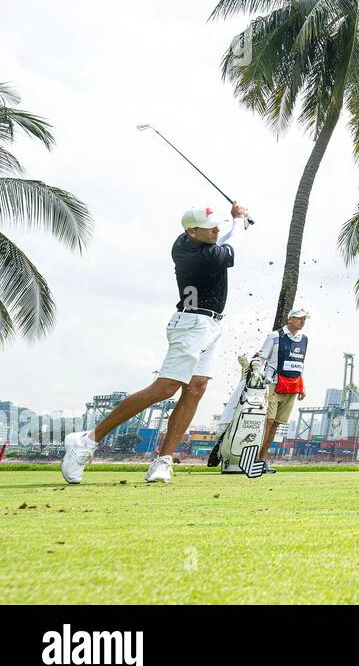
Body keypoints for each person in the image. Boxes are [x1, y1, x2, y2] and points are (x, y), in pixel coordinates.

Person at [61, 202, 249, 484]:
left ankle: (163, 461)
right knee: (165, 388)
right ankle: (87, 441)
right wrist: (240, 220)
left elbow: (220, 240)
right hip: (191, 325)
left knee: (196, 388)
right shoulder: (204, 257)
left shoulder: (188, 242)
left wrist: (233, 223)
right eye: (210, 228)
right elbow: (233, 244)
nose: (216, 230)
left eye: (217, 225)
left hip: (210, 325)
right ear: (192, 232)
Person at [252, 305, 310, 470]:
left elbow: (299, 364)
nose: (302, 321)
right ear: (290, 319)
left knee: (276, 424)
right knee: (268, 421)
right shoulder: (274, 336)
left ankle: (262, 460)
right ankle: (254, 459)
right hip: (273, 383)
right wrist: (258, 382)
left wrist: (302, 386)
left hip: (292, 386)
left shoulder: (304, 339)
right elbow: (261, 358)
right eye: (299, 318)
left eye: (304, 319)